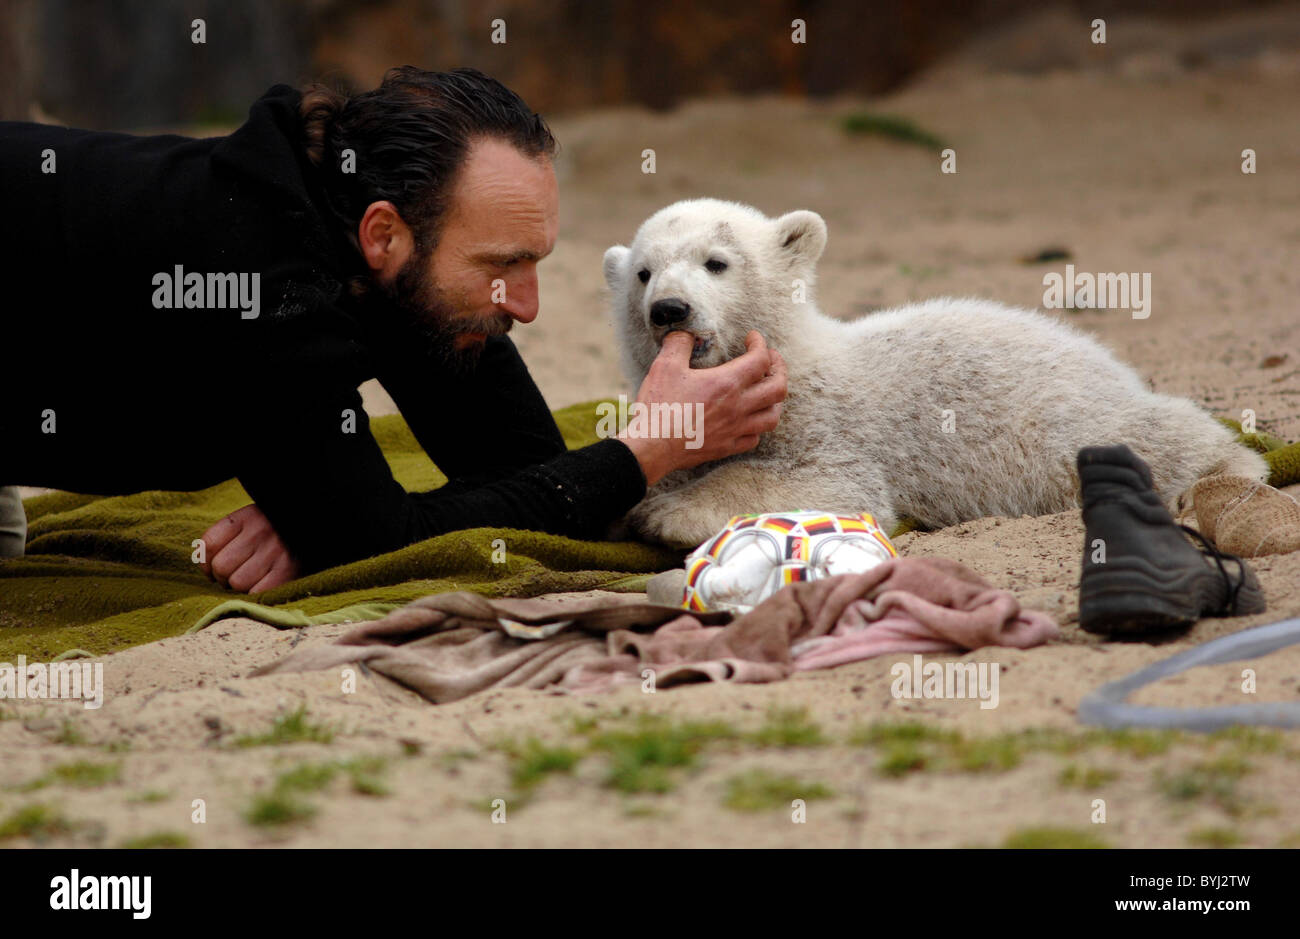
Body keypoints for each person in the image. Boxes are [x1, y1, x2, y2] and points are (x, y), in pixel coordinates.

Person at [0, 67, 786, 592]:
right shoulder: (254, 282)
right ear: (384, 235)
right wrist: (647, 449)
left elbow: (528, 470)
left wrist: (328, 513)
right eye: (503, 263)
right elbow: (390, 541)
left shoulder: (399, 263)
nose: (528, 304)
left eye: (535, 259)